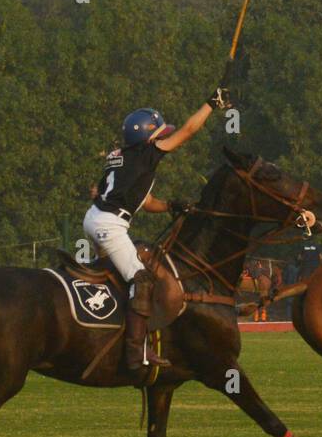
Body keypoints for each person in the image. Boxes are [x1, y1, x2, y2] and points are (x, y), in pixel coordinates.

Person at [83, 81, 230, 383]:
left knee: (124, 274)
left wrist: (170, 206)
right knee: (141, 279)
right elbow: (187, 132)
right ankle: (137, 352)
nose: (162, 138)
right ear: (146, 137)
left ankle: (116, 323)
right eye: (159, 134)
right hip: (110, 224)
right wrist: (211, 105)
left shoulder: (122, 157)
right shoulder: (145, 154)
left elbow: (146, 202)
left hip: (98, 217)